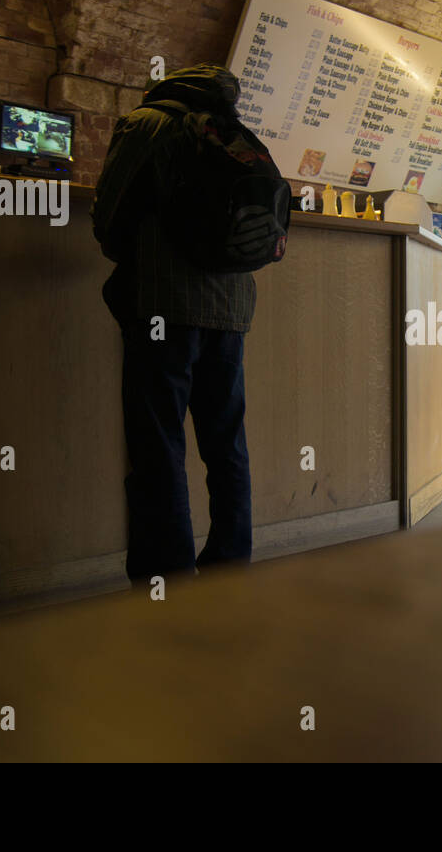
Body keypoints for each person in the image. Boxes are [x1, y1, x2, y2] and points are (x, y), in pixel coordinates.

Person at [90, 64, 256, 583]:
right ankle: (230, 565)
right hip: (231, 312)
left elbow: (109, 217)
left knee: (159, 445)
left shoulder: (148, 123)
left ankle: (167, 579)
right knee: (225, 442)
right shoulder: (239, 136)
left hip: (163, 306)